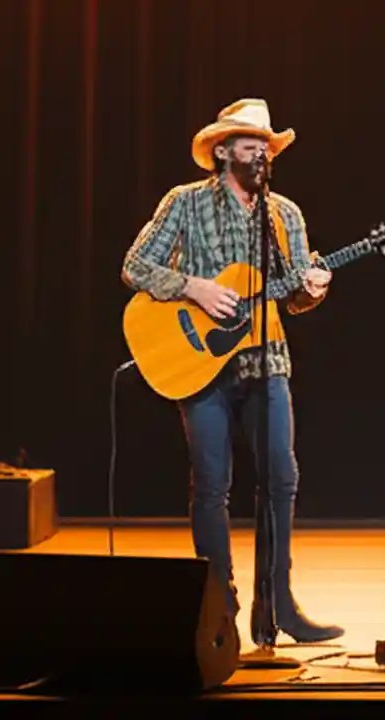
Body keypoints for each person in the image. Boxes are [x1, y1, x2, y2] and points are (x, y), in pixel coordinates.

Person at [120, 98, 343, 644]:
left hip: (268, 361)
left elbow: (289, 296)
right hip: (200, 366)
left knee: (281, 480)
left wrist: (312, 290)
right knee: (212, 487)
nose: (261, 151)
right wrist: (192, 286)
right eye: (249, 142)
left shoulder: (284, 214)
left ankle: (278, 606)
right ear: (222, 151)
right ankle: (217, 609)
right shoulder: (186, 202)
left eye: (266, 144)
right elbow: (134, 265)